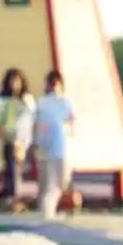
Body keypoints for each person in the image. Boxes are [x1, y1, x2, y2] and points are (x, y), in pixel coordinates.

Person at [0, 68, 38, 210]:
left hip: (26, 141)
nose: (15, 84)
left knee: (24, 169)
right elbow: (1, 121)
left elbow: (33, 118)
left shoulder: (27, 99)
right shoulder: (3, 99)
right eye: (12, 80)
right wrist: (5, 136)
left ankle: (21, 197)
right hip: (12, 139)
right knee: (12, 168)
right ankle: (12, 196)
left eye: (17, 80)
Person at [34, 70, 76, 219]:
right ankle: (48, 214)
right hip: (60, 148)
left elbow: (38, 126)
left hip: (45, 148)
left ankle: (46, 212)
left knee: (47, 184)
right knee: (57, 185)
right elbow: (72, 121)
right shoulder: (64, 101)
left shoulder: (41, 102)